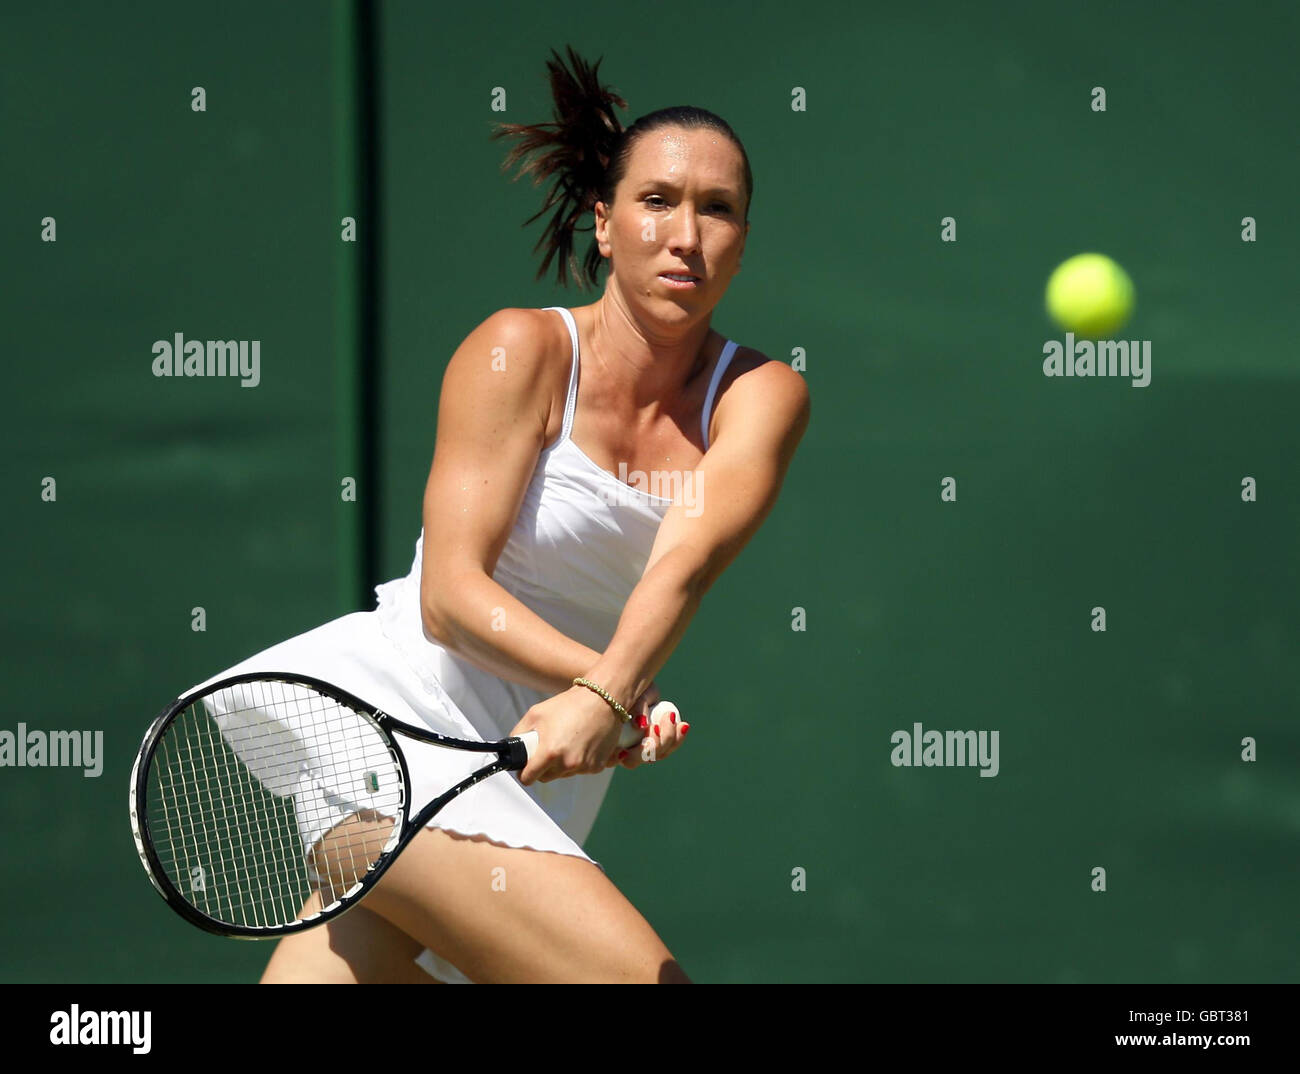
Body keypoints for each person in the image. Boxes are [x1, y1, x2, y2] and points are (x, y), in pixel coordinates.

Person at [215, 45, 809, 983]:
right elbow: (451, 596)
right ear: (604, 225)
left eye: (718, 209)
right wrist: (608, 690)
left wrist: (601, 698)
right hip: (390, 748)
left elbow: (681, 567)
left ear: (743, 238)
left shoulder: (762, 395)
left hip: (540, 781)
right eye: (657, 201)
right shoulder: (517, 350)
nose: (686, 234)